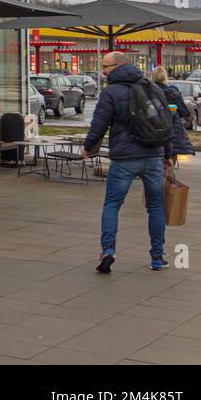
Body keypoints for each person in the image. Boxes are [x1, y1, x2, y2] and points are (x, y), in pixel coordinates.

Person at [81, 52, 167, 273]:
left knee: (112, 204)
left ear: (119, 66)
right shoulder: (152, 87)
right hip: (153, 155)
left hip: (125, 158)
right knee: (156, 207)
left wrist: (88, 147)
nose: (102, 71)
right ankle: (157, 258)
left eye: (105, 66)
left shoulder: (110, 92)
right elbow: (168, 123)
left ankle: (108, 250)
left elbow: (99, 124)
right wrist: (167, 154)